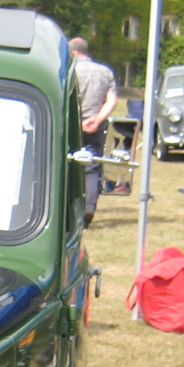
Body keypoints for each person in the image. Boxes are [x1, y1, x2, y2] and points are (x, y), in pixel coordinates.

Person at [69, 36, 117, 227]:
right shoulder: (105, 71)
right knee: (92, 167)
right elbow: (112, 100)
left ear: (73, 52)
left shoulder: (68, 71)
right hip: (94, 124)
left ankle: (70, 211)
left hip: (72, 124)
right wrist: (96, 120)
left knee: (69, 165)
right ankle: (89, 209)